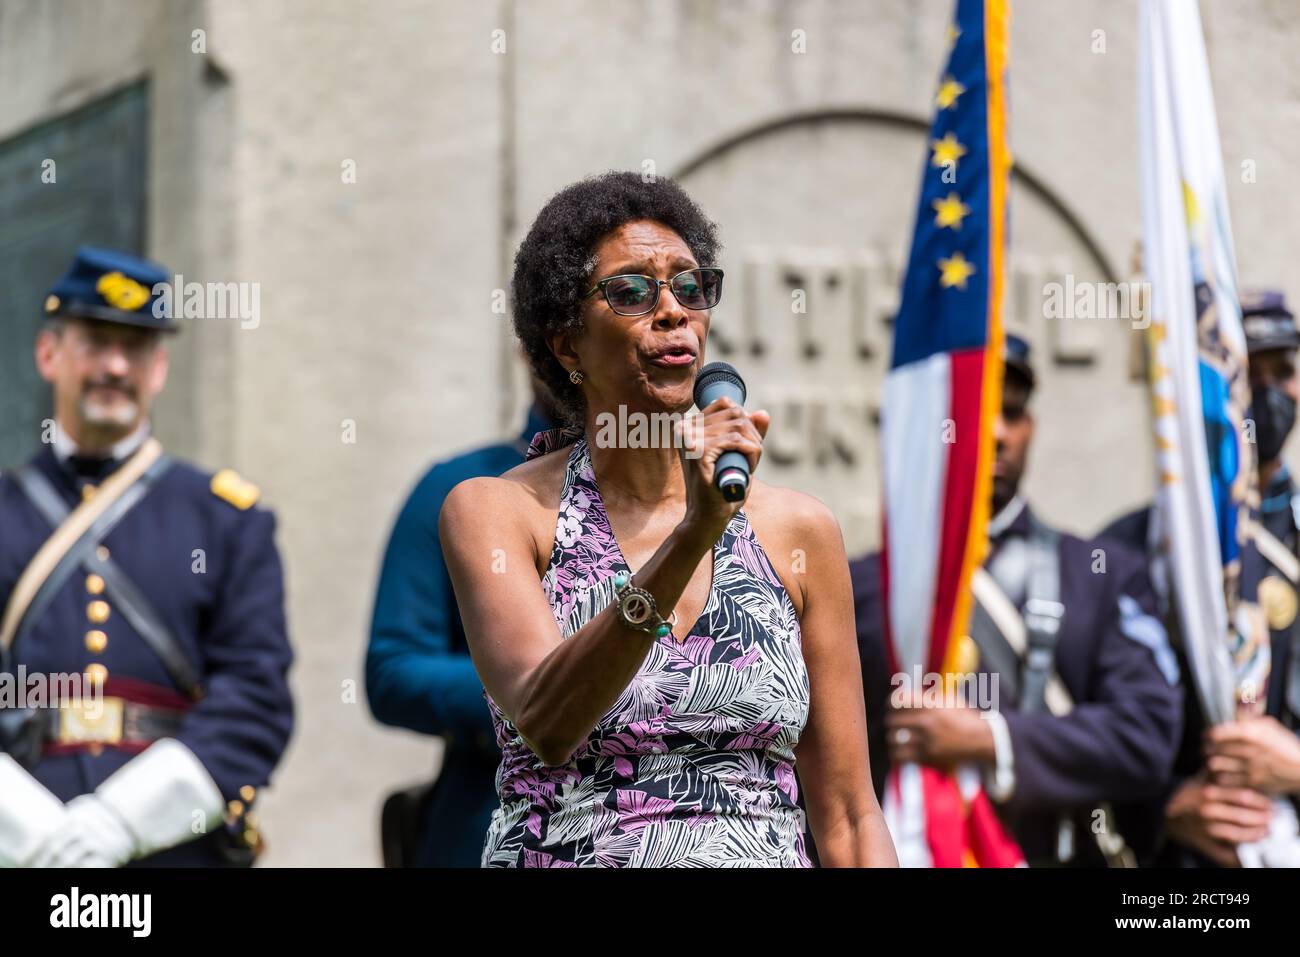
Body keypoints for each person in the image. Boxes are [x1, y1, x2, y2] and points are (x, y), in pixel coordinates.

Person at [439, 171, 897, 867]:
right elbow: (548, 718)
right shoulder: (500, 511)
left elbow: (849, 814)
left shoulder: (799, 531)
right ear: (566, 346)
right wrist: (691, 537)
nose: (673, 310)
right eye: (631, 291)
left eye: (689, 286)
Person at [0, 247, 293, 867]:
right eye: (94, 341)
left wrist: (123, 822)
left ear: (158, 368)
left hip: (173, 844)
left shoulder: (228, 520)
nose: (114, 365)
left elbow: (254, 697)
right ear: (48, 354)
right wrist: (27, 834)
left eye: (133, 347)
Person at [852, 334, 1183, 866]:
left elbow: (1146, 737)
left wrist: (992, 739)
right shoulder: (857, 589)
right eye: (976, 410)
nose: (998, 434)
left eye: (1012, 412)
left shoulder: (1103, 575)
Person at [1103, 290, 1300, 866]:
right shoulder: (1130, 548)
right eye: (1245, 375)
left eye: (1282, 372)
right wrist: (1160, 806)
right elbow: (1085, 727)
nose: (1265, 393)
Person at [366, 378, 559, 867]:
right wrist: (538, 687)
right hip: (495, 818)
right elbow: (394, 670)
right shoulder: (464, 483)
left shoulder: (701, 496)